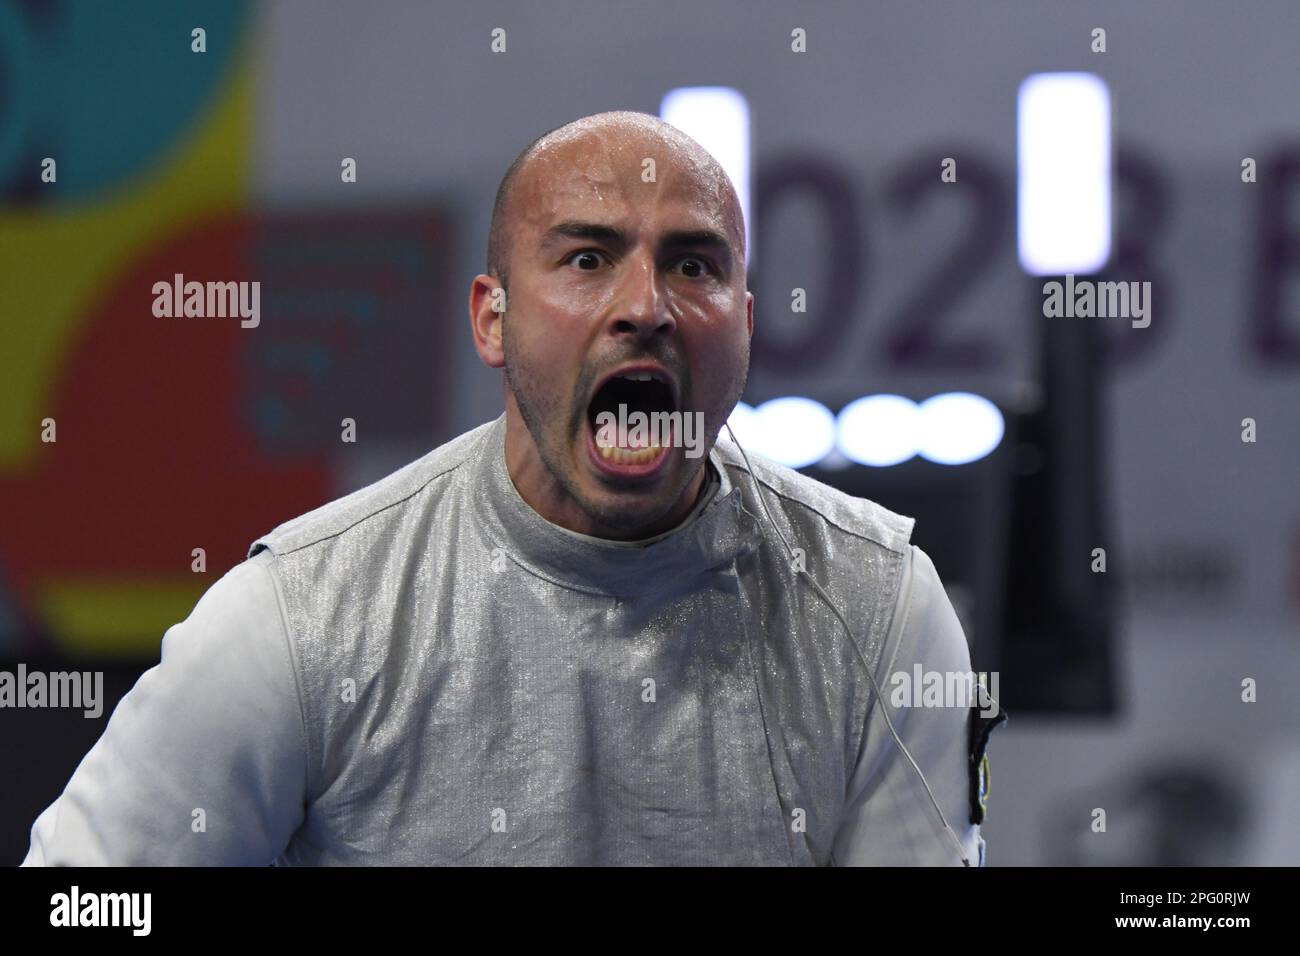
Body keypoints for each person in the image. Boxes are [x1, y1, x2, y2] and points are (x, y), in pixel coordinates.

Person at [23, 110, 1000, 866]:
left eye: (691, 265)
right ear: (492, 319)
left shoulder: (877, 608)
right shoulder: (301, 617)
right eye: (585, 258)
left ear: (744, 323)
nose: (645, 307)